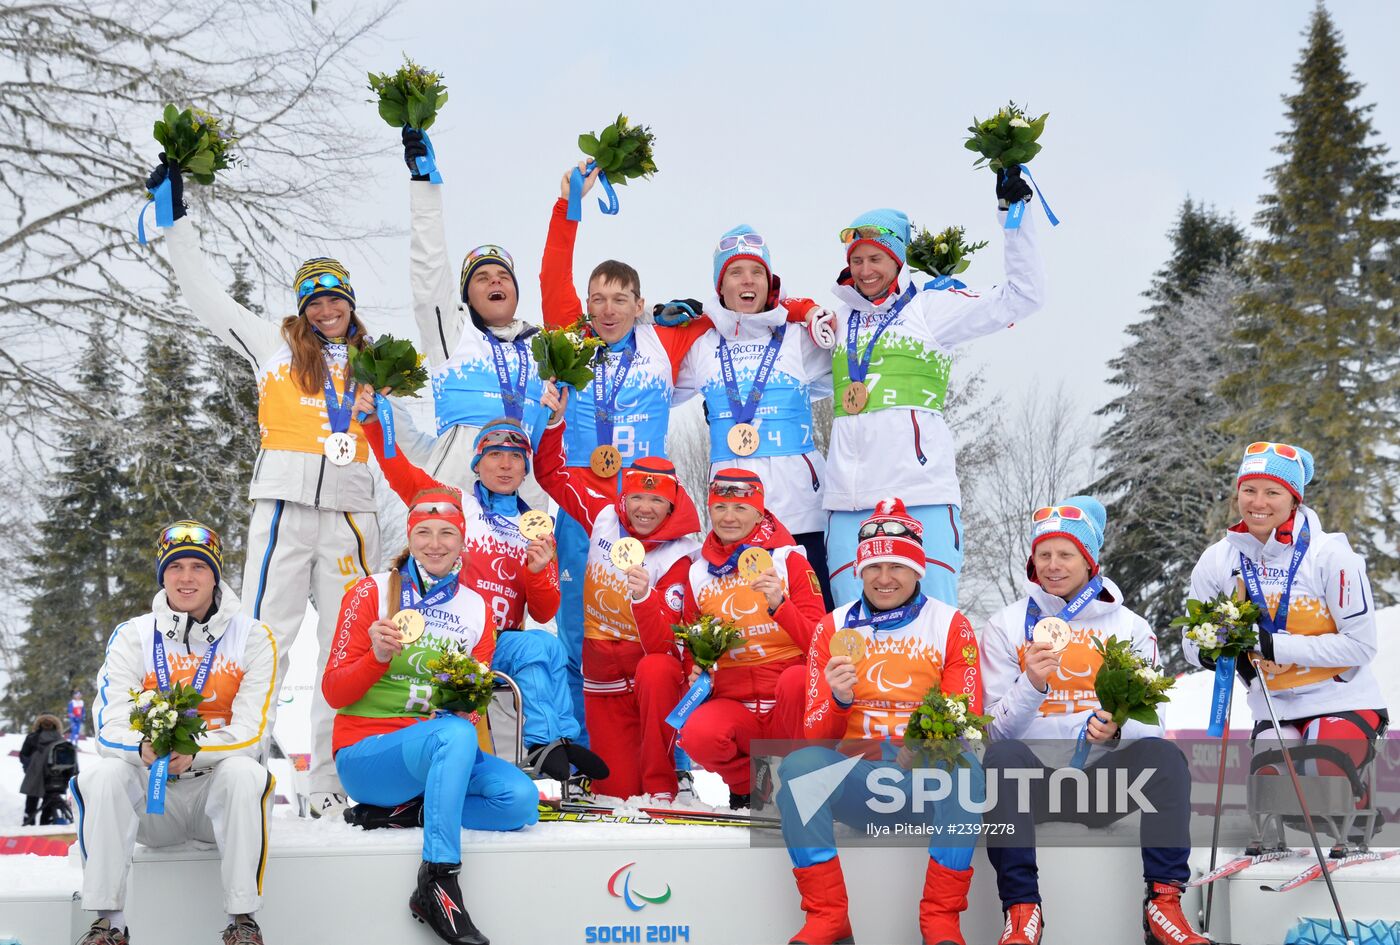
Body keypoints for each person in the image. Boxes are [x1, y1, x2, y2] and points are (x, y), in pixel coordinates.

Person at [150, 154, 418, 818]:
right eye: (317, 298)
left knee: (341, 648)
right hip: (284, 512)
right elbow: (207, 296)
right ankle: (246, 762)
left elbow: (410, 444)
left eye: (338, 297)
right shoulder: (272, 347)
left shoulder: (375, 363)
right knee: (267, 637)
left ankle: (327, 777)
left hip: (351, 518)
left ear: (351, 304)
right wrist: (175, 222)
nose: (328, 308)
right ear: (304, 306)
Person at [351, 383, 606, 783]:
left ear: (526, 468)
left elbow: (544, 610)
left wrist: (538, 573)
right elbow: (399, 472)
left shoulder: (536, 528)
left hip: (500, 643)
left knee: (546, 645)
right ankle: (546, 753)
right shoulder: (453, 503)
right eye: (495, 455)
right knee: (537, 646)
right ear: (477, 464)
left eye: (515, 458)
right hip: (445, 637)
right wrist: (370, 424)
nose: (505, 465)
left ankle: (556, 749)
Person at [538, 164, 714, 738]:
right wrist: (568, 205)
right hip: (583, 505)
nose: (606, 309)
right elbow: (550, 276)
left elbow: (744, 312)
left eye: (619, 299)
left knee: (664, 627)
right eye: (597, 299)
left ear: (641, 303)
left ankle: (674, 754)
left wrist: (703, 308)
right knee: (578, 629)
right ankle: (578, 749)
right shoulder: (571, 339)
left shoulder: (665, 340)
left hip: (651, 511)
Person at [980, 496, 1205, 945]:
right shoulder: (1006, 626)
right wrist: (1031, 685)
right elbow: (993, 730)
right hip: (1034, 785)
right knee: (1003, 757)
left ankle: (1163, 905)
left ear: (1088, 561)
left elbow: (1153, 720)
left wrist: (1119, 730)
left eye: (1066, 555)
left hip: (1102, 784)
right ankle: (1022, 911)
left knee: (1165, 757)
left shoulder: (1130, 627)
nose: (1053, 566)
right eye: (1044, 554)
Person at [323, 486, 538, 945]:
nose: (434, 543)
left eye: (446, 533)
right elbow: (334, 691)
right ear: (410, 535)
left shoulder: (476, 608)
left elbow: (474, 703)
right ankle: (438, 880)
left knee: (518, 799)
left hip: (438, 750)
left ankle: (406, 811)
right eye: (423, 532)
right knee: (454, 736)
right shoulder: (371, 593)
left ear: (463, 541)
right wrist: (376, 657)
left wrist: (466, 697)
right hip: (368, 752)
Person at [823, 168, 1047, 606]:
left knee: (934, 625)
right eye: (857, 260)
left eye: (876, 259)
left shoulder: (931, 309)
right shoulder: (836, 322)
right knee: (851, 630)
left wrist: (1015, 220)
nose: (865, 270)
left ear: (898, 261)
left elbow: (1024, 296)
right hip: (848, 504)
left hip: (920, 493)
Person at [776, 499, 983, 945]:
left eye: (897, 565)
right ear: (859, 570)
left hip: (922, 782)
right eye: (873, 567)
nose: (884, 578)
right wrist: (839, 699)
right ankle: (828, 918)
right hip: (859, 779)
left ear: (918, 569)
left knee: (967, 772)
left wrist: (922, 746)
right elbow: (815, 737)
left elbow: (965, 713)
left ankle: (941, 921)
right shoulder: (832, 627)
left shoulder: (950, 624)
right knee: (798, 770)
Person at [73, 522, 278, 945]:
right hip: (154, 801)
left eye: (198, 568)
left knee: (245, 771)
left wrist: (194, 751)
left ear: (215, 575)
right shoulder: (132, 635)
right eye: (176, 567)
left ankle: (243, 921)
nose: (186, 578)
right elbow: (109, 728)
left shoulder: (253, 636)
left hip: (215, 797)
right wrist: (143, 747)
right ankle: (108, 923)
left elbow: (253, 732)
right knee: (101, 775)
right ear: (162, 575)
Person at [1184, 443, 1387, 811]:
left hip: (1342, 699)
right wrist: (1220, 652)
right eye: (1249, 490)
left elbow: (1362, 646)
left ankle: (1357, 811)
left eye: (1272, 492)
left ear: (1294, 499)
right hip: (1274, 706)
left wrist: (1275, 645)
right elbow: (1189, 641)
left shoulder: (1331, 556)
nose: (1258, 502)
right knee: (1271, 782)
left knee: (1320, 766)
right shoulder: (1218, 559)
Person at [532, 384, 699, 801]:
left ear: (672, 506)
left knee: (657, 671)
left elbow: (665, 644)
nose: (643, 508)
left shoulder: (681, 556)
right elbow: (552, 476)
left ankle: (667, 781)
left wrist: (646, 598)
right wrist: (554, 422)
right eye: (636, 497)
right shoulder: (605, 515)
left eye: (655, 501)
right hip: (603, 669)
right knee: (615, 790)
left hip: (649, 672)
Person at [634, 469, 826, 809]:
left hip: (786, 705)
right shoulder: (699, 571)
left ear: (759, 512)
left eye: (740, 508)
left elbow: (819, 644)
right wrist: (698, 673)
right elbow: (695, 647)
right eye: (720, 507)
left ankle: (800, 785)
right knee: (696, 733)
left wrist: (780, 606)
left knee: (799, 680)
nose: (729, 517)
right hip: (737, 706)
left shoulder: (788, 559)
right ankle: (749, 785)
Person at [673, 228, 837, 608]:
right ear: (720, 286)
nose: (748, 280)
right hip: (734, 510)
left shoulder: (798, 337)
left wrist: (805, 308)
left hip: (799, 509)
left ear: (769, 283)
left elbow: (850, 351)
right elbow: (653, 385)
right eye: (736, 272)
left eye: (757, 272)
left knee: (812, 613)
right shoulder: (702, 345)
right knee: (743, 616)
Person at [399, 128, 552, 506]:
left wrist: (647, 314)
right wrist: (424, 187)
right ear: (466, 296)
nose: (495, 281)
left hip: (529, 491)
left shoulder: (545, 346)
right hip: (459, 489)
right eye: (482, 277)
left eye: (503, 276)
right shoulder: (453, 336)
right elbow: (430, 273)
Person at [19, 714, 69, 825]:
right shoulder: (61, 741)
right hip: (55, 780)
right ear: (56, 726)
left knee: (31, 805)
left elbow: (23, 755)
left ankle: (28, 825)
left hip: (34, 778)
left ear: (38, 725)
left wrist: (29, 767)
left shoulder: (32, 738)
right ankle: (45, 825)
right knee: (49, 807)